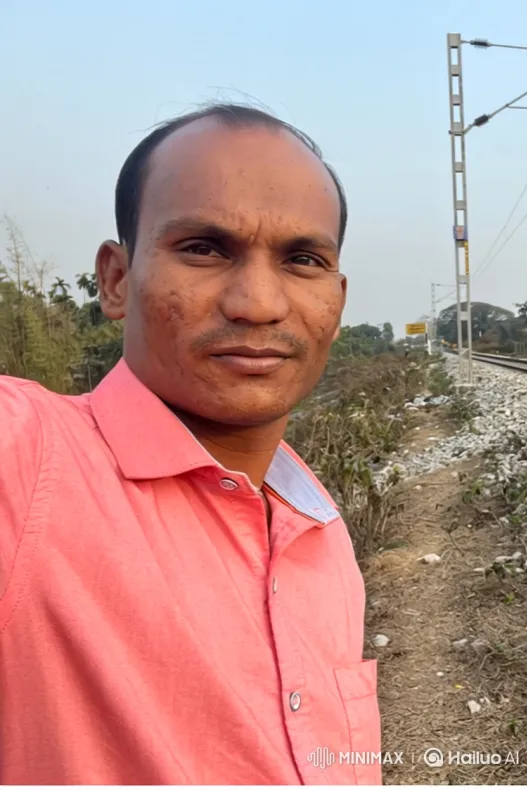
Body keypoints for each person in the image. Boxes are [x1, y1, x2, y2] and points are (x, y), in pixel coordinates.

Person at [0, 103, 381, 785]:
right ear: (116, 279)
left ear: (338, 298)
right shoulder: (30, 465)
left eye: (302, 259)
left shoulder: (322, 537)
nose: (258, 303)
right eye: (205, 248)